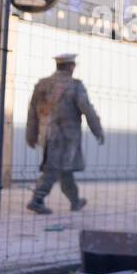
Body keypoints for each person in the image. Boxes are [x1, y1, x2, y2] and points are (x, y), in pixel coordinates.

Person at [25, 53, 103, 214]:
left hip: (46, 133)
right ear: (71, 67)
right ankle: (37, 199)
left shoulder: (42, 84)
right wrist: (97, 130)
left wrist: (31, 134)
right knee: (53, 168)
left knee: (64, 169)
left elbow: (32, 112)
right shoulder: (75, 85)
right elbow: (86, 108)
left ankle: (75, 201)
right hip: (66, 136)